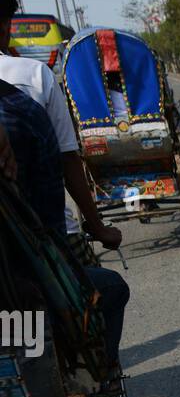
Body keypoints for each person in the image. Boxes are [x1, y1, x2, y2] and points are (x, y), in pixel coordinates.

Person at [0, 79, 129, 364]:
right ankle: (95, 383)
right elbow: (47, 222)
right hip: (17, 305)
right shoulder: (21, 109)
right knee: (110, 287)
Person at [0, 0, 123, 256]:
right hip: (45, 238)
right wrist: (98, 227)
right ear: (7, 26)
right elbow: (68, 158)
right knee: (111, 290)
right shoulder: (34, 77)